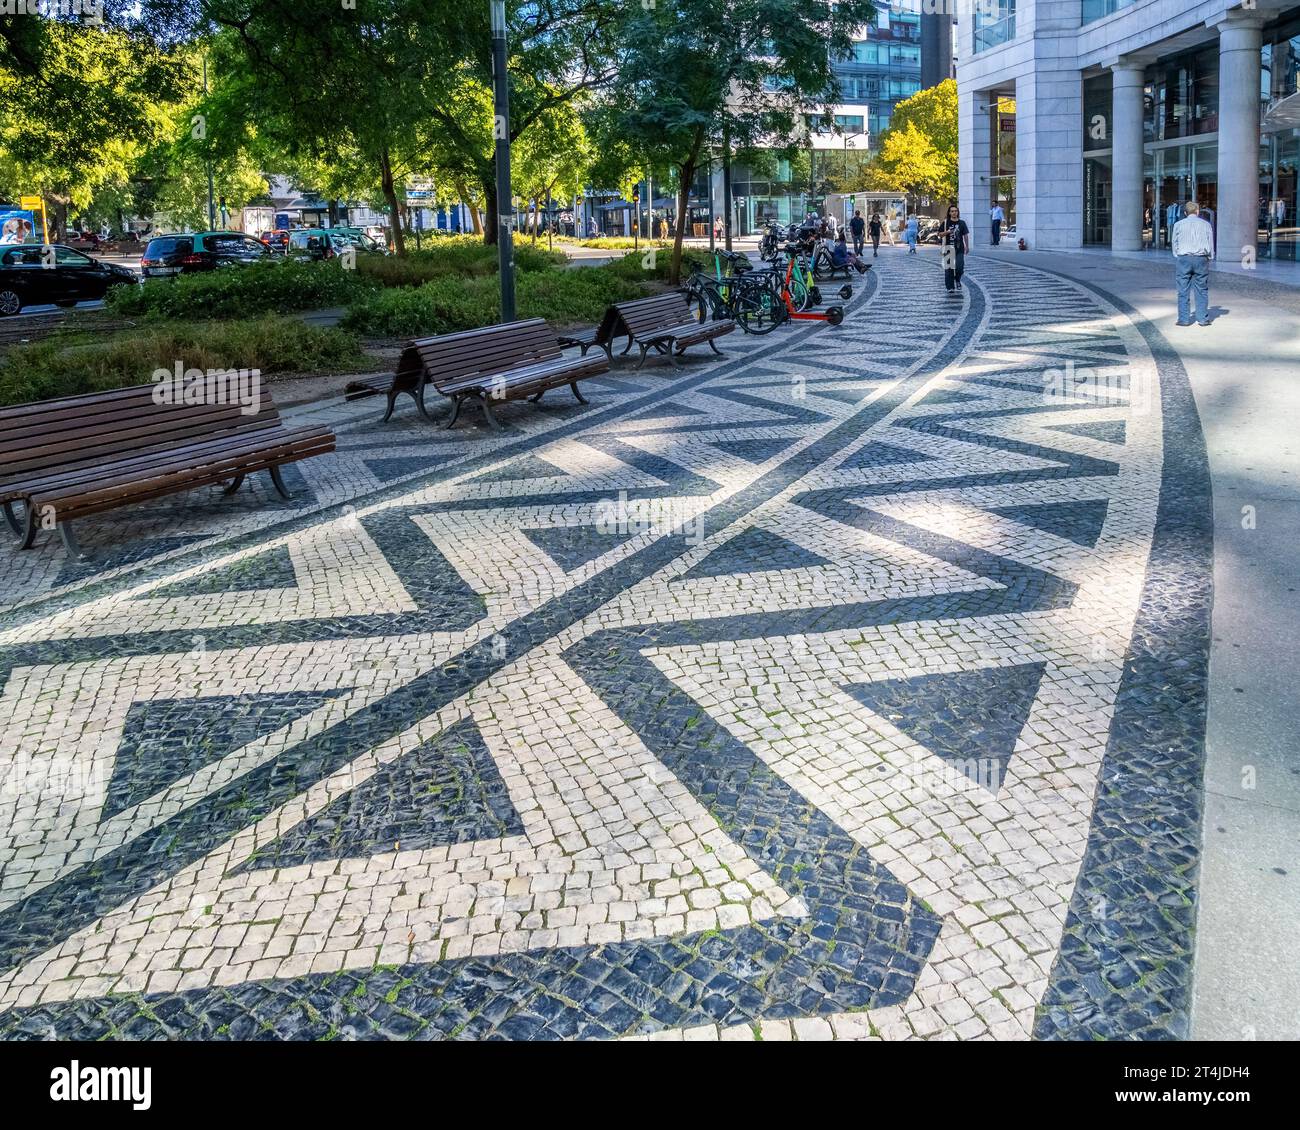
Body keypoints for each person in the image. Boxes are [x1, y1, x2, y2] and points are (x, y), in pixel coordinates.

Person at [1171, 199, 1214, 326]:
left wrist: (1177, 254)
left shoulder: (1178, 225)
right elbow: (1210, 242)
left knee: (1183, 289)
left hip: (1184, 258)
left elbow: (1175, 242)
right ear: (1198, 211)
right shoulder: (1206, 224)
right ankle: (1202, 319)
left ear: (1185, 212)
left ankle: (1183, 319)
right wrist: (1210, 257)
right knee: (1201, 289)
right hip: (1201, 258)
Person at [940, 204, 970, 293]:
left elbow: (965, 235)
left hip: (959, 248)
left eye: (955, 211)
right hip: (948, 247)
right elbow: (940, 234)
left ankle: (957, 280)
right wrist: (948, 232)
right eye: (952, 211)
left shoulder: (962, 223)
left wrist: (967, 246)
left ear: (958, 212)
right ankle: (950, 287)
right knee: (949, 269)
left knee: (959, 267)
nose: (954, 213)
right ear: (949, 213)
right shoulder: (945, 223)